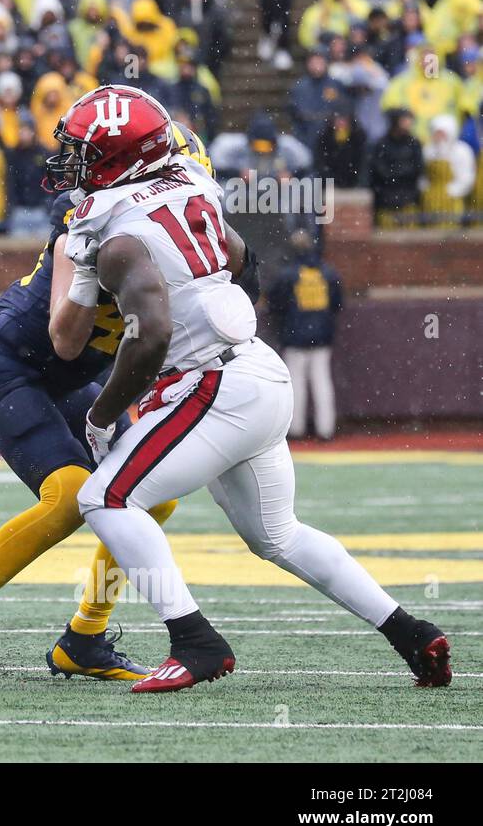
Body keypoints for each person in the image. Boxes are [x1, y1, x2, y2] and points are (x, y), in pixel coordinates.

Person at [50, 84, 449, 692]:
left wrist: (104, 413)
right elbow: (241, 261)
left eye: (82, 151)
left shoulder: (118, 234)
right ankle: (413, 634)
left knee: (104, 499)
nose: (70, 163)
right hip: (255, 370)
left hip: (213, 384)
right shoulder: (184, 184)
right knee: (278, 535)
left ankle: (194, 641)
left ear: (117, 156)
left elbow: (148, 335)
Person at [0, 124, 248, 691]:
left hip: (71, 380)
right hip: (9, 370)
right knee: (69, 498)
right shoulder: (92, 228)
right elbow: (69, 339)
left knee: (152, 495)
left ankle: (84, 636)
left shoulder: (176, 236)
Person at [269, 231, 343, 441]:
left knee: (295, 383)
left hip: (294, 336)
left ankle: (296, 428)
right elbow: (337, 303)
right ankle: (325, 429)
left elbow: (276, 304)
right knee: (322, 381)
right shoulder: (328, 273)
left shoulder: (287, 274)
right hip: (322, 336)